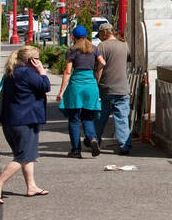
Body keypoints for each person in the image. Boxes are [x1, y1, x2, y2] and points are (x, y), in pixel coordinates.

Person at [0, 45, 50, 202]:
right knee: (24, 155)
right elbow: (45, 86)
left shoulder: (11, 71)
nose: (39, 61)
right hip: (25, 120)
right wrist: (42, 71)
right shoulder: (27, 73)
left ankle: (31, 186)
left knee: (25, 154)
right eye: (37, 59)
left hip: (11, 120)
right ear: (31, 60)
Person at [57, 26, 103, 157]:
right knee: (88, 117)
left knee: (74, 119)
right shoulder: (94, 49)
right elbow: (103, 62)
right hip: (91, 84)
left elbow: (67, 71)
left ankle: (76, 150)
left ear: (73, 37)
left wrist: (61, 92)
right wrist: (96, 73)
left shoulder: (72, 50)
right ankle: (92, 138)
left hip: (76, 85)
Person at [94, 23, 133, 155]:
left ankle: (95, 139)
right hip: (122, 87)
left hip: (106, 87)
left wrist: (96, 83)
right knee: (122, 118)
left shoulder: (102, 46)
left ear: (104, 32)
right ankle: (124, 145)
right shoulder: (124, 45)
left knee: (100, 117)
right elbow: (129, 59)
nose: (99, 37)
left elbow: (99, 67)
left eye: (99, 34)